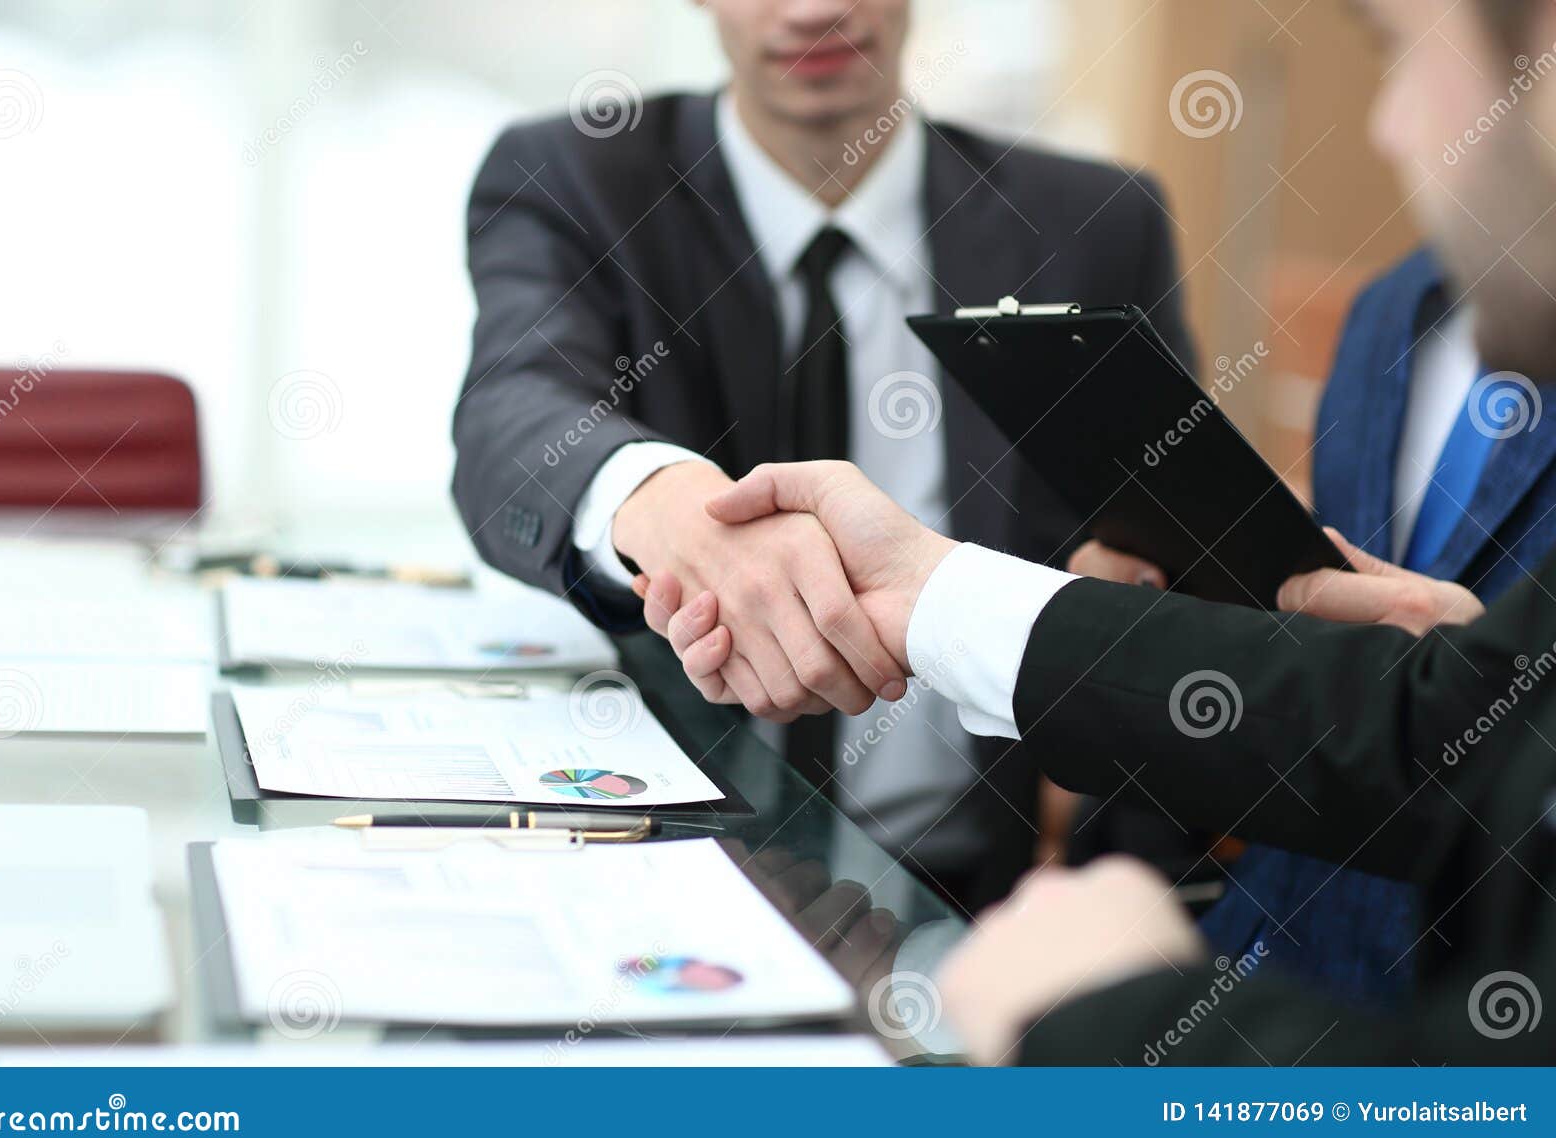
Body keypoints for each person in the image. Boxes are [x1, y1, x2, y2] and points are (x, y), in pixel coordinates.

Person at [637, 0, 1556, 1063]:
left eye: (1397, 52)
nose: (1389, 126)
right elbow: (1425, 719)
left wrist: (1116, 1006)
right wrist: (932, 589)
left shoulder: (1096, 215)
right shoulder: (1397, 314)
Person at [450, 0, 1194, 905]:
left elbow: (1175, 563)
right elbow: (511, 414)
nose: (813, 10)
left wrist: (1139, 907)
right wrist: (663, 499)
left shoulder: (1095, 223)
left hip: (969, 894)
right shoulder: (575, 176)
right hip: (644, 867)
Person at [1071, 245, 1556, 1010]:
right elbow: (1335, 606)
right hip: (1272, 950)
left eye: (1404, 112)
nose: (1388, 130)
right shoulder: (1391, 303)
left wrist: (1481, 692)